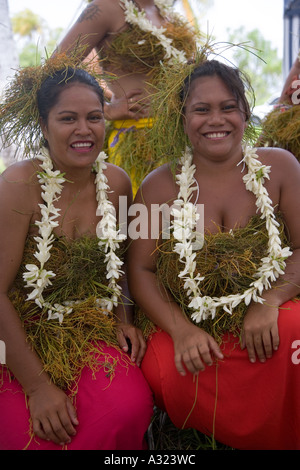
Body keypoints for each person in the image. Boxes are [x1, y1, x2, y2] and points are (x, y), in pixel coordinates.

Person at [127, 59, 300, 450]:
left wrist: (270, 299)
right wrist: (181, 329)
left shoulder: (282, 167)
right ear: (182, 117)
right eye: (201, 109)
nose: (215, 120)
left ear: (244, 111)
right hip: (186, 325)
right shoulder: (153, 187)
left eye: (228, 107)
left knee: (295, 329)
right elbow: (138, 271)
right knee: (167, 368)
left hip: (265, 321)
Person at [0, 63, 153, 450]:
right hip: (15, 334)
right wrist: (37, 386)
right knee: (31, 436)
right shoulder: (18, 184)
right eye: (68, 118)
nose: (84, 130)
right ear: (43, 123)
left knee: (129, 407)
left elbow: (122, 262)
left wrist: (123, 317)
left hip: (87, 327)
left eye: (94, 117)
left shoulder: (118, 183)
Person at [55, 0, 201, 193]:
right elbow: (54, 70)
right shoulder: (107, 8)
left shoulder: (168, 13)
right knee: (140, 218)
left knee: (188, 218)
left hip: (182, 137)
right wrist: (103, 110)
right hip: (135, 143)